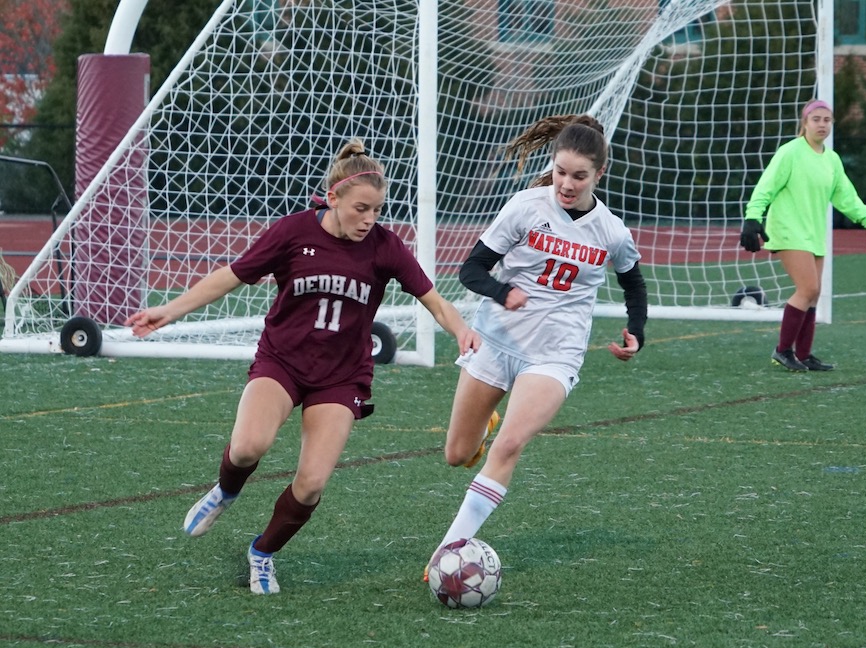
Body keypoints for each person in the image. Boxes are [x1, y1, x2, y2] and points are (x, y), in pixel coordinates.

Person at [126, 140, 479, 594]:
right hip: (282, 362)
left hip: (341, 376)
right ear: (333, 198)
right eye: (361, 208)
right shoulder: (291, 232)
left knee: (311, 485)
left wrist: (461, 331)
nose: (369, 219)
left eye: (377, 210)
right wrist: (167, 311)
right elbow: (229, 277)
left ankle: (263, 554)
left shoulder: (385, 247)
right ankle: (226, 491)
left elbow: (434, 301)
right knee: (248, 447)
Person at [424, 114, 648, 579]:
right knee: (456, 454)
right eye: (561, 171)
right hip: (497, 340)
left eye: (579, 176)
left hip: (554, 355)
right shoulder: (525, 207)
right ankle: (484, 421)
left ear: (599, 175)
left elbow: (634, 284)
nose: (567, 184)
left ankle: (447, 553)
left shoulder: (611, 231)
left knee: (508, 446)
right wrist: (502, 291)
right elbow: (471, 270)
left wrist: (636, 331)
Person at [739, 98, 866, 372]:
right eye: (816, 119)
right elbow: (765, 187)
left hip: (812, 234)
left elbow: (847, 197)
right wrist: (752, 218)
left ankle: (804, 355)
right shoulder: (790, 152)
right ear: (804, 123)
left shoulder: (831, 159)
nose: (822, 124)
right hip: (787, 230)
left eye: (827, 120)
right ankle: (782, 351)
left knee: (814, 294)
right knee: (807, 289)